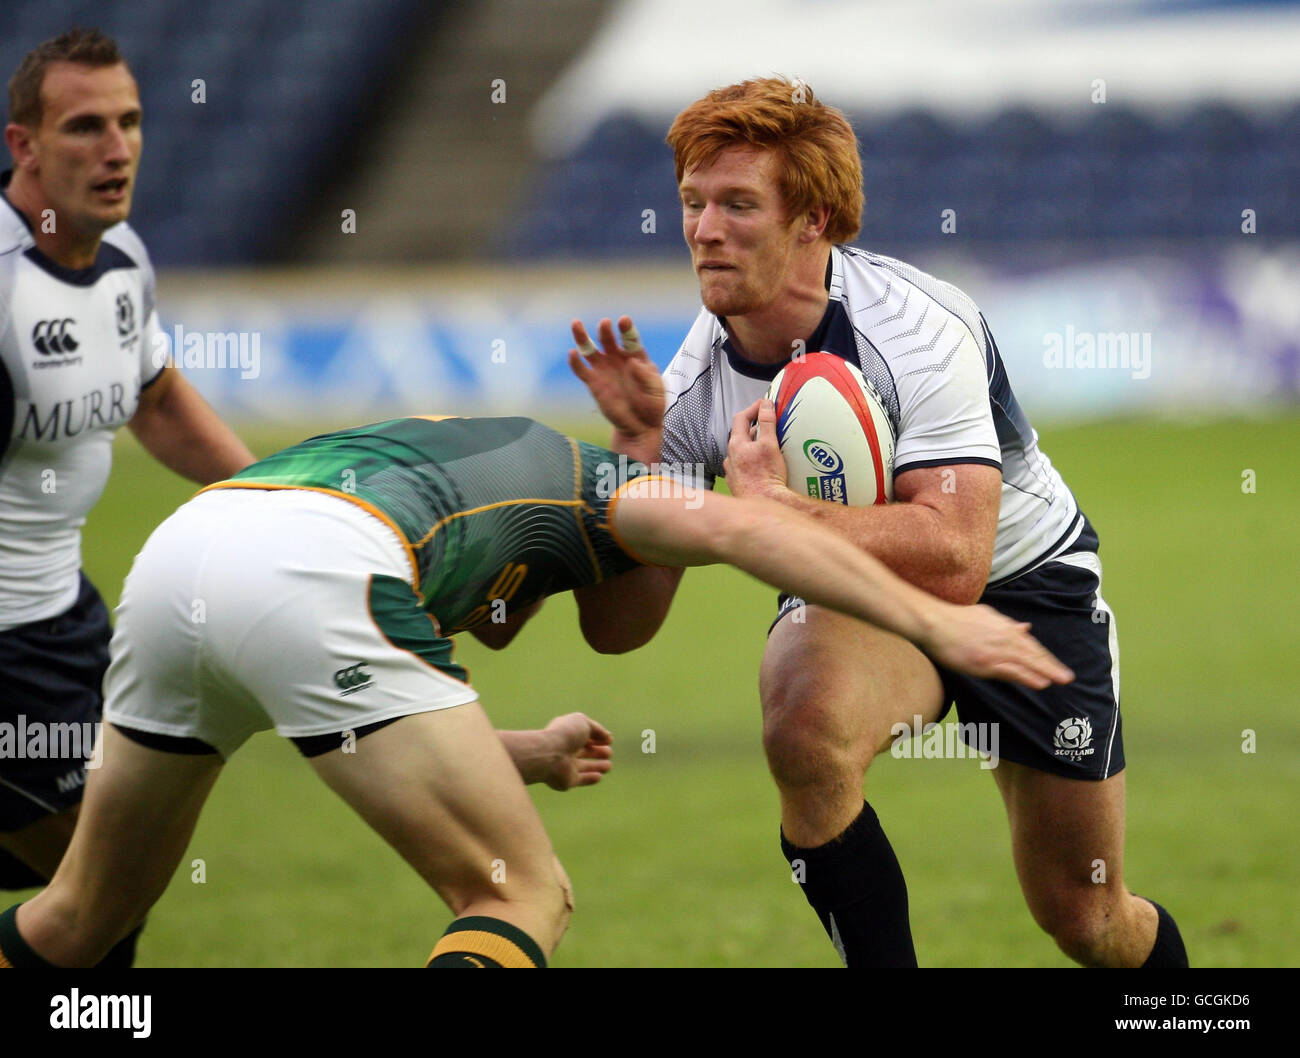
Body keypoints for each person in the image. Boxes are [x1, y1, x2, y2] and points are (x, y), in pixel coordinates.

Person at [0, 411, 1069, 968]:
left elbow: (321, 708)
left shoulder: (447, 458)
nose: (494, 629)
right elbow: (746, 525)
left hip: (185, 547)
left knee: (80, 914)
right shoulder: (606, 490)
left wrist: (532, 748)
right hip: (318, 564)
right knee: (519, 892)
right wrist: (934, 617)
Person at [569, 77, 1188, 968]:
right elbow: (621, 632)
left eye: (739, 205)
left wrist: (776, 508)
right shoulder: (692, 390)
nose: (705, 231)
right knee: (802, 722)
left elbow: (954, 562)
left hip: (1027, 586)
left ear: (812, 219)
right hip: (854, 595)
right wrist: (636, 451)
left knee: (1088, 921)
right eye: (693, 203)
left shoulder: (919, 328)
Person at [0, 29, 255, 965]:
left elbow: (156, 399)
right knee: (99, 894)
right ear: (22, 145)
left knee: (102, 885)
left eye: (130, 122)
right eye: (84, 127)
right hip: (4, 653)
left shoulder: (121, 260)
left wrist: (278, 495)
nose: (116, 149)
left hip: (71, 624)